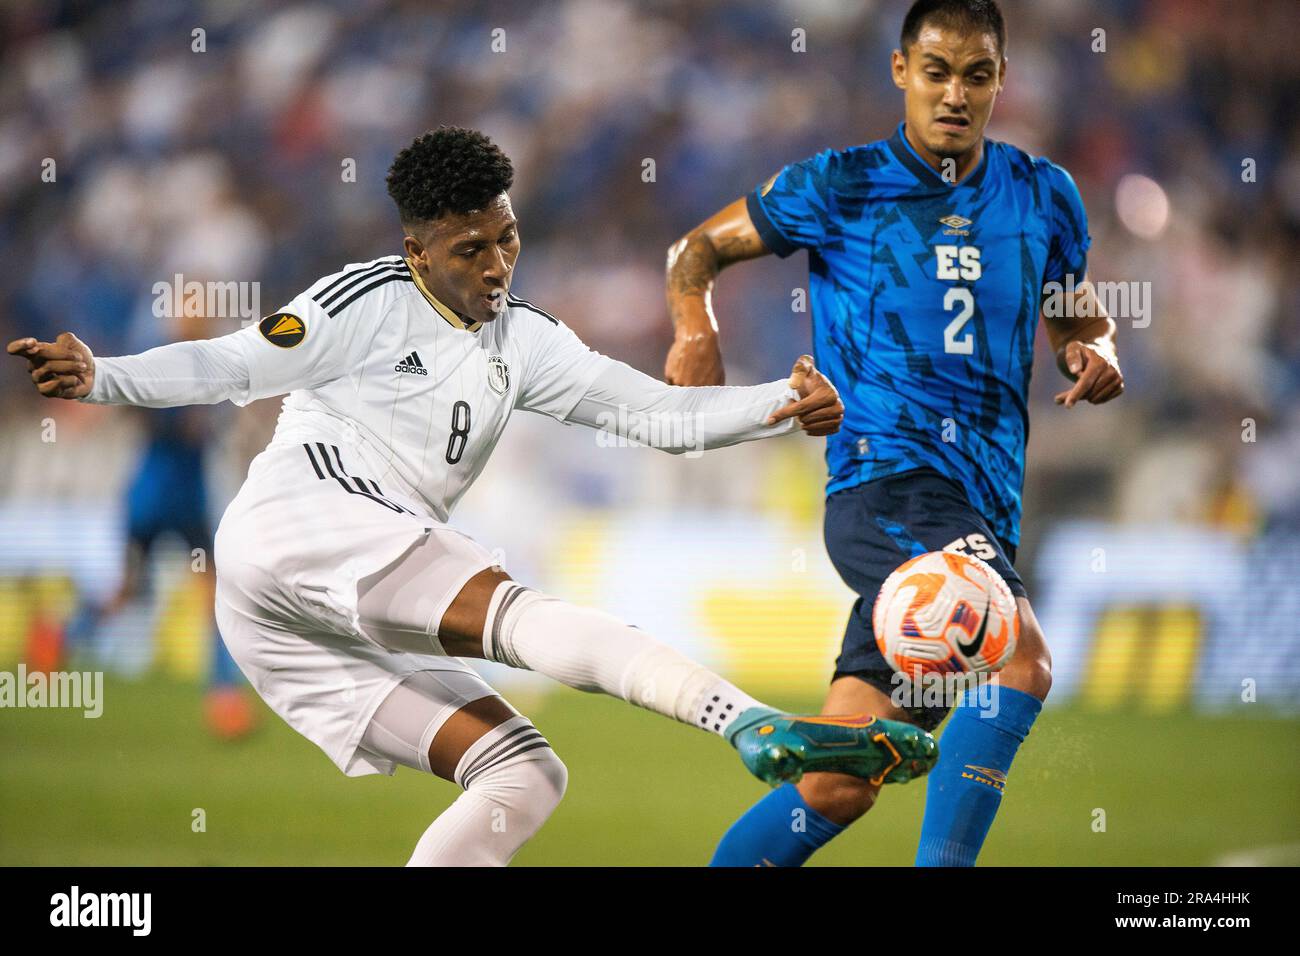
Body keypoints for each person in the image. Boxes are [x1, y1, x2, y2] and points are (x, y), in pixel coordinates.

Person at [9, 126, 937, 866]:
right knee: (518, 617)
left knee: (522, 776)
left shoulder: (523, 338)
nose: (497, 266)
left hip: (307, 626)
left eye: (508, 239)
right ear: (416, 251)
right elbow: (231, 363)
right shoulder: (362, 302)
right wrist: (102, 375)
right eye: (470, 249)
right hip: (302, 520)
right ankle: (749, 722)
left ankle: (748, 725)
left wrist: (780, 404)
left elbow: (656, 415)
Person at [664, 0, 1124, 866]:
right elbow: (695, 251)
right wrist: (697, 328)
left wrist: (1093, 348)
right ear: (901, 70)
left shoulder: (1043, 195)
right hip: (885, 484)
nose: (956, 94)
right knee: (1019, 659)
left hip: (982, 506)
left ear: (1000, 80)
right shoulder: (840, 184)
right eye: (937, 71)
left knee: (840, 782)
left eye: (977, 75)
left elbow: (1074, 311)